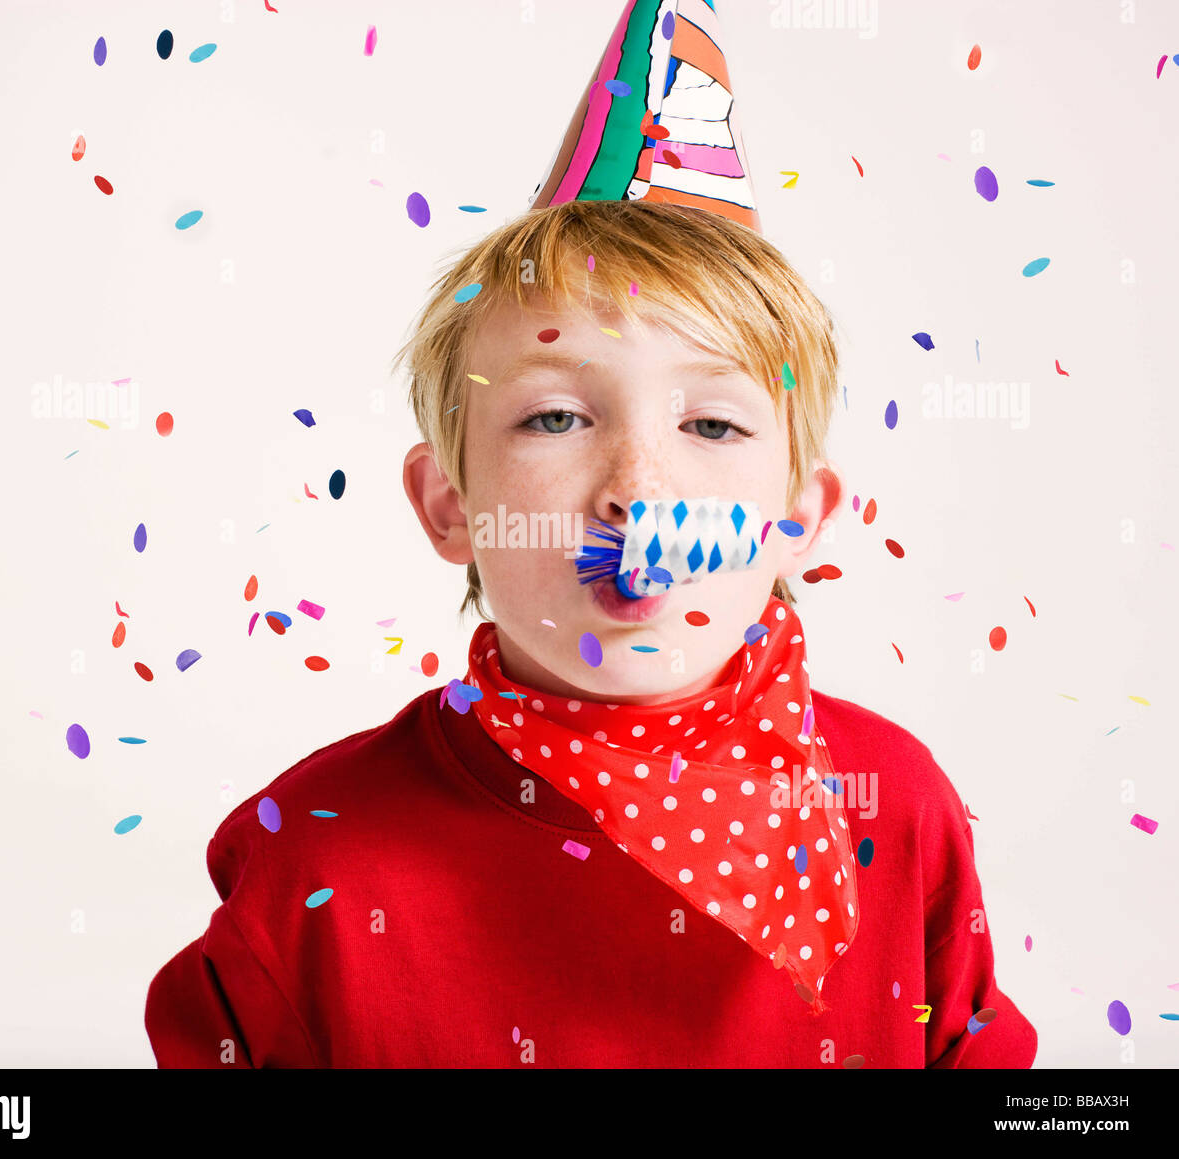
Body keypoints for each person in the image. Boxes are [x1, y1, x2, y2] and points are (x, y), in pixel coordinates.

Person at [145, 0, 1036, 1068]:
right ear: (448, 506)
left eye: (711, 423)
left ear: (798, 521)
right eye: (557, 417)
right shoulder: (311, 851)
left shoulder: (894, 803)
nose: (639, 491)